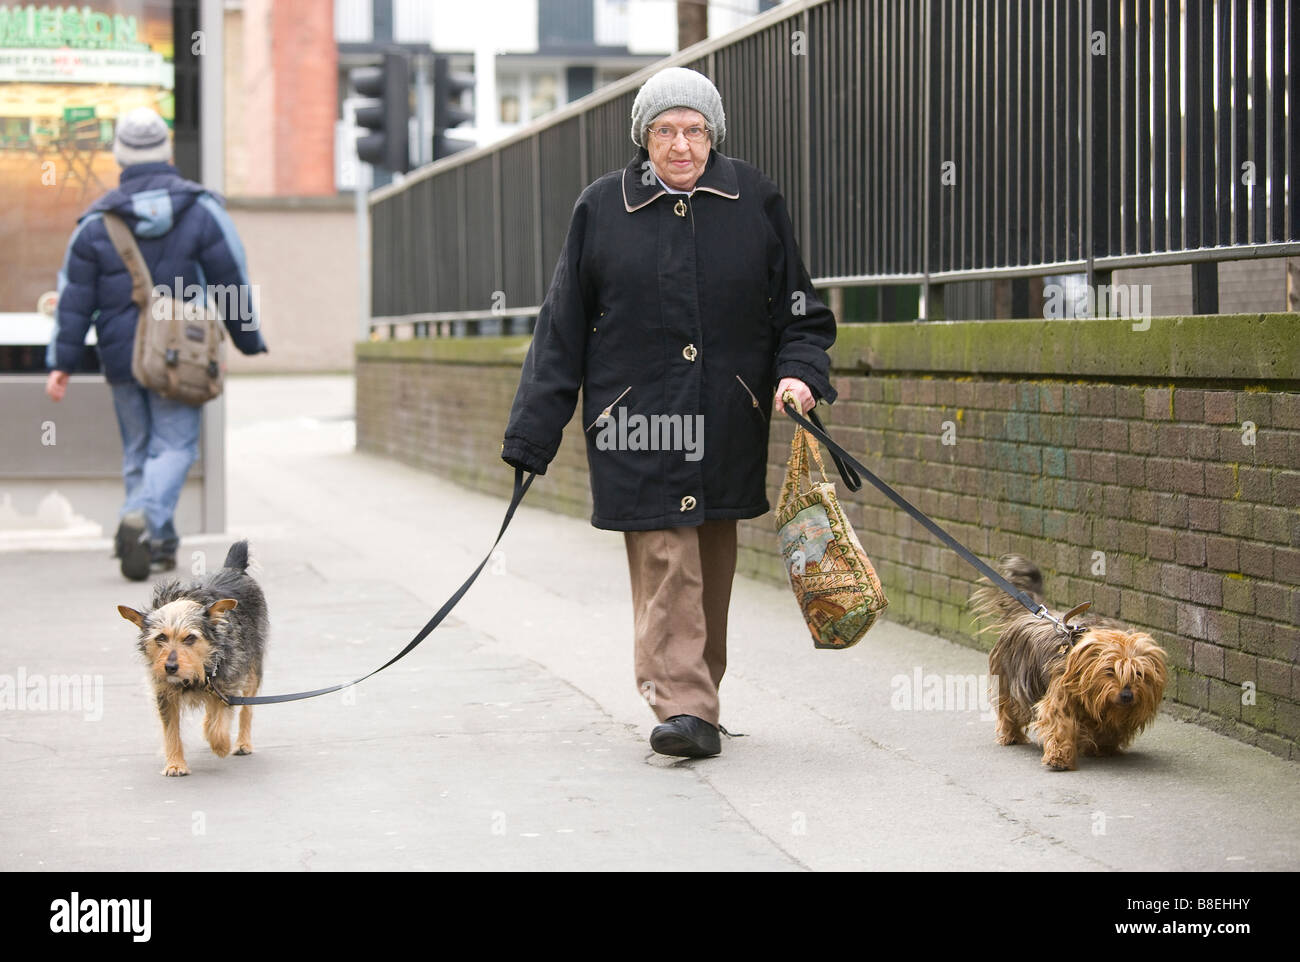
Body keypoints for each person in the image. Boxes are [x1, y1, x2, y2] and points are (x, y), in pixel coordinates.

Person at [501, 67, 837, 758]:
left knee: (709, 568)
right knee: (666, 560)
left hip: (725, 416)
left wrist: (799, 376)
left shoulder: (755, 202)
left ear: (713, 135)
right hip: (637, 422)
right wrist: (534, 434)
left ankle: (695, 698)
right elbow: (560, 328)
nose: (681, 145)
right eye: (665, 131)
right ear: (643, 138)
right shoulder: (602, 208)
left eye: (694, 130)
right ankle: (682, 704)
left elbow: (800, 315)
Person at [45, 107, 267, 580]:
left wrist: (62, 361)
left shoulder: (96, 223)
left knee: (139, 448)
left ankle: (158, 544)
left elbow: (74, 297)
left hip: (122, 353)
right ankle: (143, 520)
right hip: (183, 352)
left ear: (120, 156)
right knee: (176, 447)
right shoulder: (201, 211)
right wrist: (247, 339)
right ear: (166, 150)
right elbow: (232, 279)